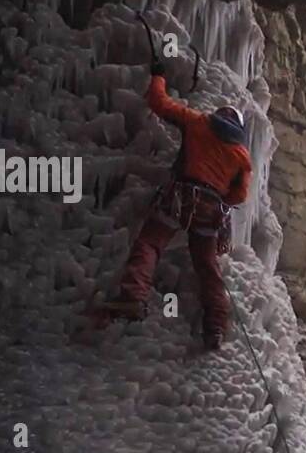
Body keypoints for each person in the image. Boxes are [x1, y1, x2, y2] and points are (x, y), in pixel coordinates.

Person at [103, 59, 252, 351]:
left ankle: (133, 296)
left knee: (150, 242)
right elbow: (240, 196)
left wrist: (158, 74)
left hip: (182, 195)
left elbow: (160, 103)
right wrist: (221, 195)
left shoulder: (198, 122)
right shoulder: (242, 156)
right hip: (210, 210)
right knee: (208, 267)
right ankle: (215, 328)